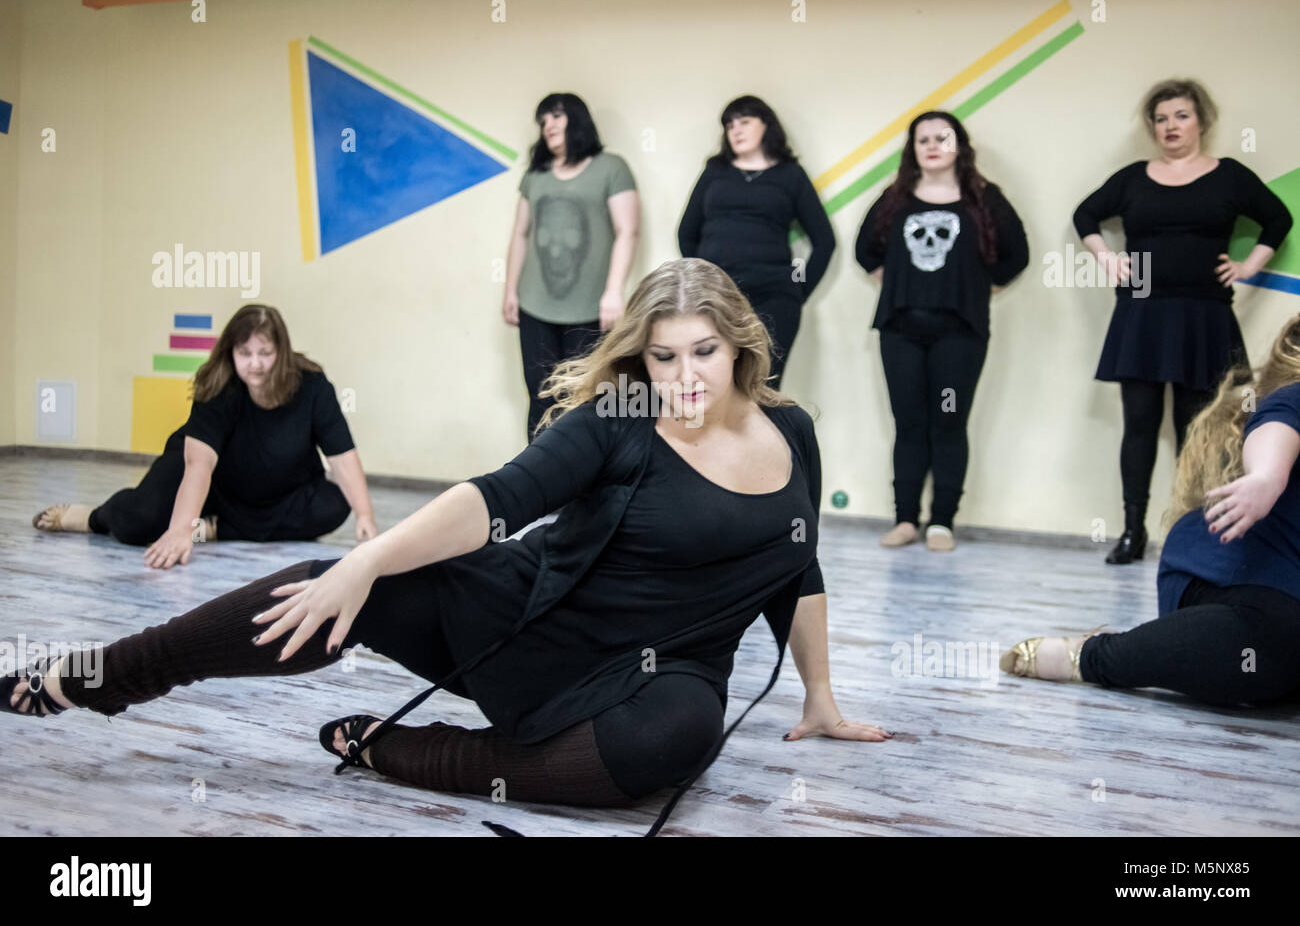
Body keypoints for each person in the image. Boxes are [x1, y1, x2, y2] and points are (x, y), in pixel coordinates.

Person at [3, 259, 889, 836]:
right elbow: (497, 499)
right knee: (328, 591)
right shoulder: (620, 421)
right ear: (640, 361)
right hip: (528, 616)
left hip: (663, 675)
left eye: (704, 351)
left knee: (680, 743)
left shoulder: (792, 432)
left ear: (741, 346)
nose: (685, 376)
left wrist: (819, 694)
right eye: (663, 357)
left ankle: (402, 750)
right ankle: (95, 675)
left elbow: (796, 563)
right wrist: (365, 557)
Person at [1001, 314, 1300, 705]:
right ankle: (1091, 656)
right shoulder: (1292, 398)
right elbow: (1278, 424)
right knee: (1270, 647)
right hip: (1227, 575)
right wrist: (1266, 477)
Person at [1073, 78, 1292, 565]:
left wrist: (1248, 266)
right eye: (1161, 118)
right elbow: (1085, 215)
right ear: (1152, 127)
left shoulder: (1230, 176)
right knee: (1140, 425)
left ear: (1202, 122)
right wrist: (1109, 260)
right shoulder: (1132, 177)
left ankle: (1189, 531)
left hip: (1203, 315)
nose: (1170, 126)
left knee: (1198, 430)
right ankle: (1132, 532)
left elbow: (1278, 220)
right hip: (1142, 311)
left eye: (1181, 116)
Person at [30, 304, 376, 569]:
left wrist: (365, 517)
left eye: (265, 353)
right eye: (245, 353)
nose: (255, 364)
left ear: (281, 351)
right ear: (231, 352)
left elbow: (342, 456)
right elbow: (199, 465)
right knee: (142, 523)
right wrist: (180, 530)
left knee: (334, 505)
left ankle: (213, 529)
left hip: (277, 491)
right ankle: (92, 517)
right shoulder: (217, 382)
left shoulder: (312, 385)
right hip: (213, 483)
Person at [855, 110, 1028, 552]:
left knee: (949, 422)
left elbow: (1018, 254)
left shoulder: (985, 199)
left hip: (960, 332)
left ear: (959, 146)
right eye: (922, 139)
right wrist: (895, 283)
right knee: (908, 424)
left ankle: (942, 522)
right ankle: (906, 519)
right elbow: (864, 249)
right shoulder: (895, 198)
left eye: (941, 137)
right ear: (913, 149)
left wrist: (976, 287)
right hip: (900, 331)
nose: (931, 145)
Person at [502, 92, 640, 441]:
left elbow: (628, 231)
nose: (548, 126)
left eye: (556, 117)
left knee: (586, 398)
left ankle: (581, 487)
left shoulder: (611, 167)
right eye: (544, 121)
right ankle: (536, 483)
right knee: (539, 395)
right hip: (536, 306)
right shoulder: (536, 175)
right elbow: (520, 234)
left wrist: (613, 291)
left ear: (577, 120)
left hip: (591, 309)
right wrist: (510, 290)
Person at [677, 95, 836, 389]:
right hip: (716, 296)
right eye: (729, 124)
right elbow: (686, 233)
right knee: (713, 384)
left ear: (766, 125)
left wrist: (798, 292)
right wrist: (701, 281)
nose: (735, 130)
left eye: (744, 121)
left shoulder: (791, 175)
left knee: (763, 386)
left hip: (773, 296)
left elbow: (825, 241)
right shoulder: (715, 172)